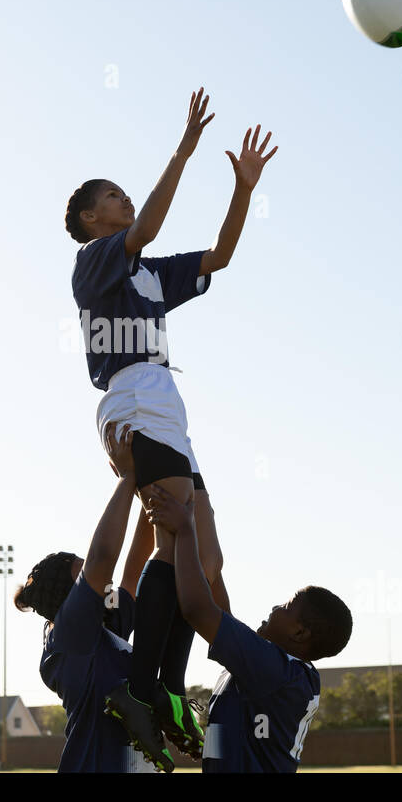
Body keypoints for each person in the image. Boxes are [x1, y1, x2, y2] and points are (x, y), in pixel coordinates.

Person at [66, 86, 278, 765]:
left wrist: (242, 188)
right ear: (87, 216)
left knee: (204, 559)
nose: (125, 201)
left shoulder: (151, 277)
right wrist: (183, 151)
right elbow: (148, 227)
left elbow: (218, 256)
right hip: (133, 396)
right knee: (177, 539)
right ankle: (146, 686)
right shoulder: (95, 262)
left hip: (166, 402)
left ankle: (155, 685)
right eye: (115, 196)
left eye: (127, 193)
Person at [142, 481, 352, 773]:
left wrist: (186, 529)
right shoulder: (281, 670)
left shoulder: (277, 671)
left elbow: (197, 609)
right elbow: (214, 592)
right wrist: (200, 499)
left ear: (299, 633)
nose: (275, 608)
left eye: (286, 607)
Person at [14, 425, 164, 772]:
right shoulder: (69, 633)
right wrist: (127, 476)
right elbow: (103, 558)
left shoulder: (104, 629)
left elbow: (134, 567)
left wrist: (148, 493)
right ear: (72, 590)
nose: (100, 577)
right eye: (82, 572)